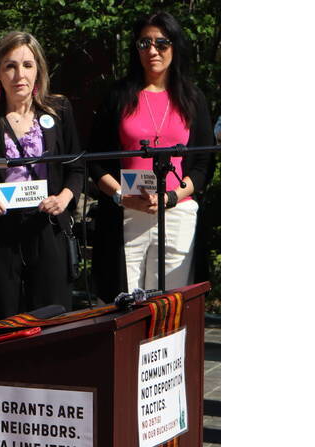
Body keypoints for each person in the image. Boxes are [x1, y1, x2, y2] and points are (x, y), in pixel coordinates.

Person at [0, 31, 84, 326]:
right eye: (10, 66)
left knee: (52, 324)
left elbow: (76, 169)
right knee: (1, 327)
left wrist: (64, 198)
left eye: (27, 65)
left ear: (38, 69)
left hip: (47, 227)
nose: (20, 75)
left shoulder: (59, 111)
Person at [88, 11, 214, 301]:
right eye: (144, 43)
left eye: (161, 43)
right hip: (126, 211)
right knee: (125, 305)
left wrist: (171, 197)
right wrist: (121, 196)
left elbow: (203, 165)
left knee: (168, 304)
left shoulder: (193, 98)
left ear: (175, 46)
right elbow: (96, 160)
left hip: (176, 212)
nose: (153, 50)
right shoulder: (118, 96)